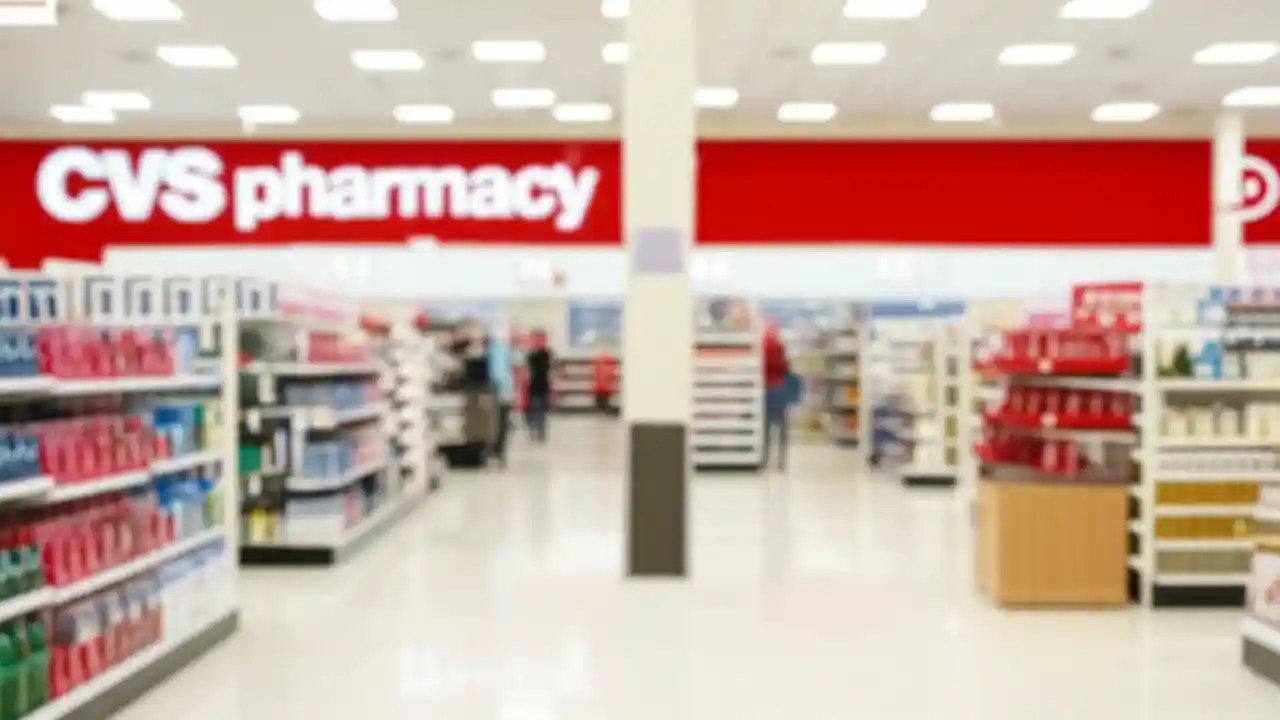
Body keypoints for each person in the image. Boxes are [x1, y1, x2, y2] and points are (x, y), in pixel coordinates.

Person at [762, 323, 792, 470]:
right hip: (779, 388)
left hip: (765, 389)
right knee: (782, 428)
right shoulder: (779, 346)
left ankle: (765, 459)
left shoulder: (761, 346)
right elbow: (785, 368)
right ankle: (781, 462)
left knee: (765, 428)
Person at [487, 326, 516, 467]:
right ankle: (498, 454)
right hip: (503, 394)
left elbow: (498, 374)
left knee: (497, 425)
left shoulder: (496, 349)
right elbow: (500, 373)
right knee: (501, 425)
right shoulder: (501, 349)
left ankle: (496, 454)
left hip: (499, 394)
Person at [525, 328, 554, 443]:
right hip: (533, 387)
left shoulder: (546, 354)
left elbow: (549, 370)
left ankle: (540, 432)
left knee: (542, 411)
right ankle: (534, 430)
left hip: (543, 386)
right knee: (534, 410)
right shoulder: (530, 355)